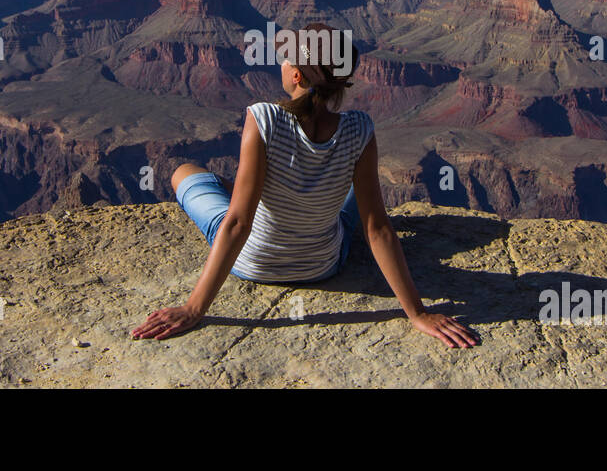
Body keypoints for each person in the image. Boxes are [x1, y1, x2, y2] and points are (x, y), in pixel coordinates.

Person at [132, 23, 478, 348]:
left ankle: (230, 186)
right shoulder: (359, 129)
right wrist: (417, 314)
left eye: (286, 58)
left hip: (253, 264)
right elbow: (377, 228)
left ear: (296, 75)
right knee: (359, 188)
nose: (281, 63)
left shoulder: (262, 118)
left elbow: (237, 224)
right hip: (323, 267)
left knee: (184, 172)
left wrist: (195, 309)